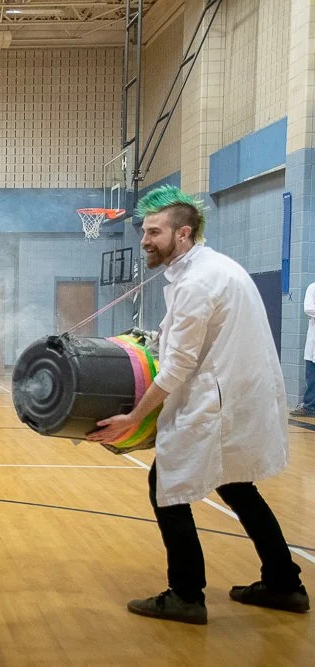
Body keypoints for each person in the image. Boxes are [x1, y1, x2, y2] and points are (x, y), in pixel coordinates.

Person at [90, 185, 308, 623]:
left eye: (154, 232)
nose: (145, 241)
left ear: (183, 234)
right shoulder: (213, 268)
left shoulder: (197, 281)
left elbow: (178, 368)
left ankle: (186, 595)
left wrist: (135, 416)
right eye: (144, 232)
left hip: (218, 403)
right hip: (237, 396)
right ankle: (285, 583)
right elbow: (187, 339)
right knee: (237, 485)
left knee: (166, 484)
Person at [291, 280, 315, 417]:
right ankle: (309, 406)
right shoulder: (312, 288)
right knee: (311, 376)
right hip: (313, 343)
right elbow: (308, 308)